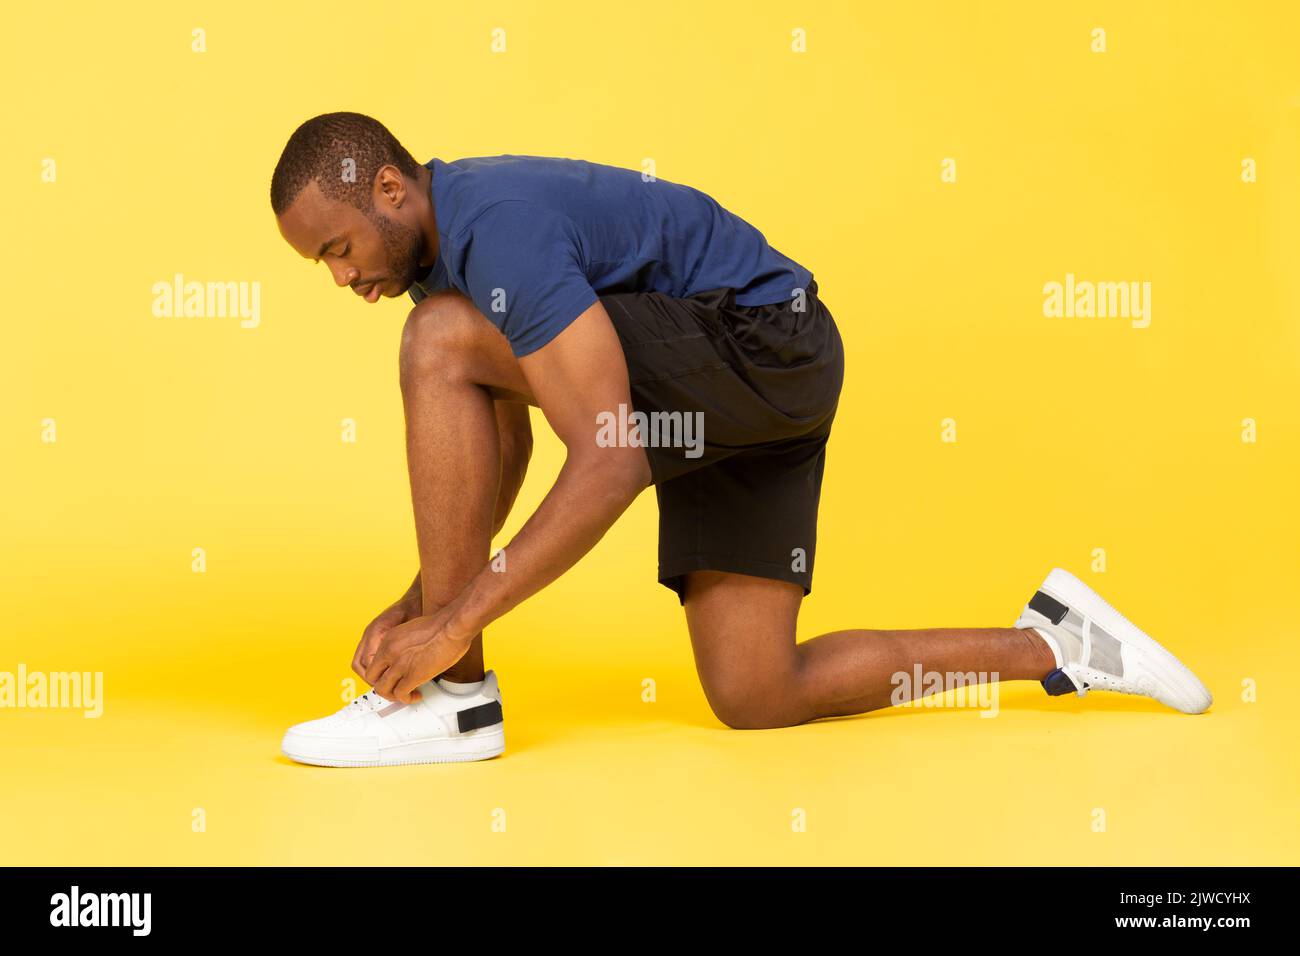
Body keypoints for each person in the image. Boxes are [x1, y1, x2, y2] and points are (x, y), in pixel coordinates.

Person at [270, 112, 1211, 767]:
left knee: (434, 341)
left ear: (388, 187)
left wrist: (454, 629)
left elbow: (610, 460)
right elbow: (504, 447)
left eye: (337, 248)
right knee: (757, 692)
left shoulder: (496, 233)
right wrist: (417, 605)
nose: (340, 276)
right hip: (763, 387)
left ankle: (455, 706)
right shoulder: (446, 256)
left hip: (762, 342)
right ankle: (1060, 645)